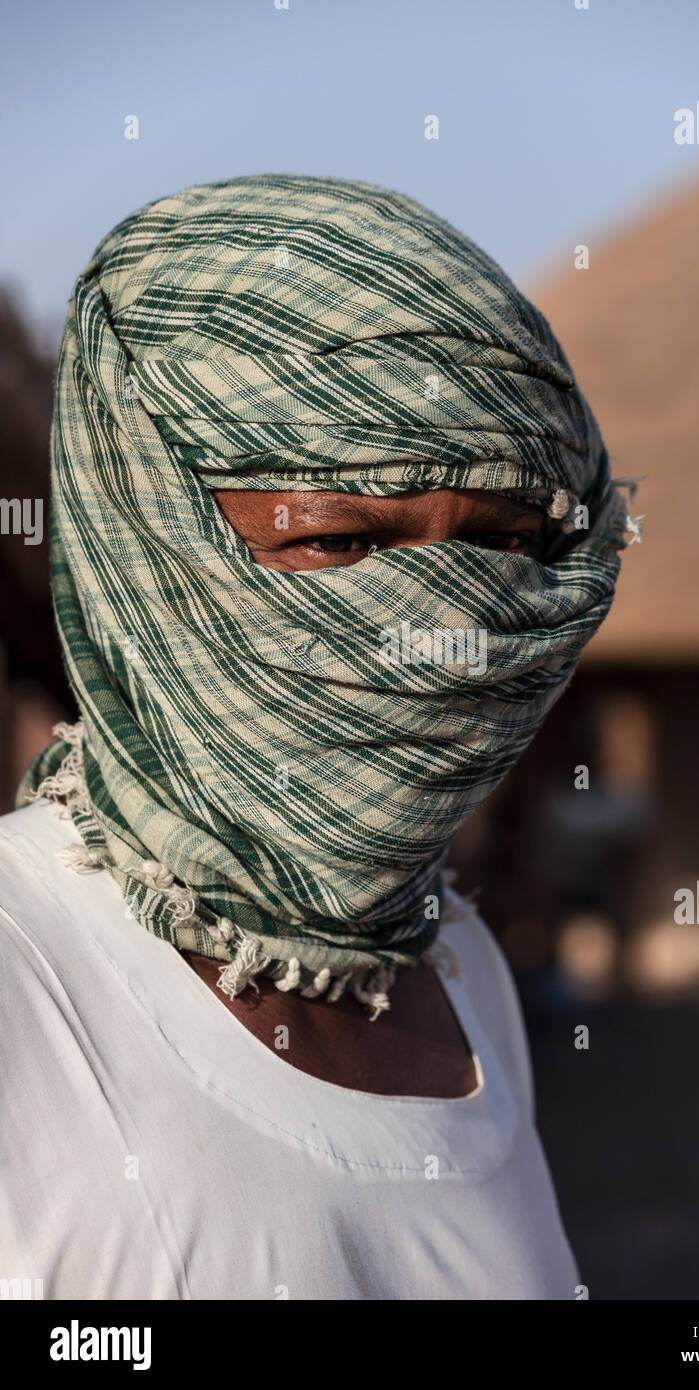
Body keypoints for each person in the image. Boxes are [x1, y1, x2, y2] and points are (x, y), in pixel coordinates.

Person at [0, 175, 629, 1300]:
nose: (444, 633)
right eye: (337, 540)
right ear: (144, 528)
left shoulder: (456, 968)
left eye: (496, 545)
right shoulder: (24, 986)